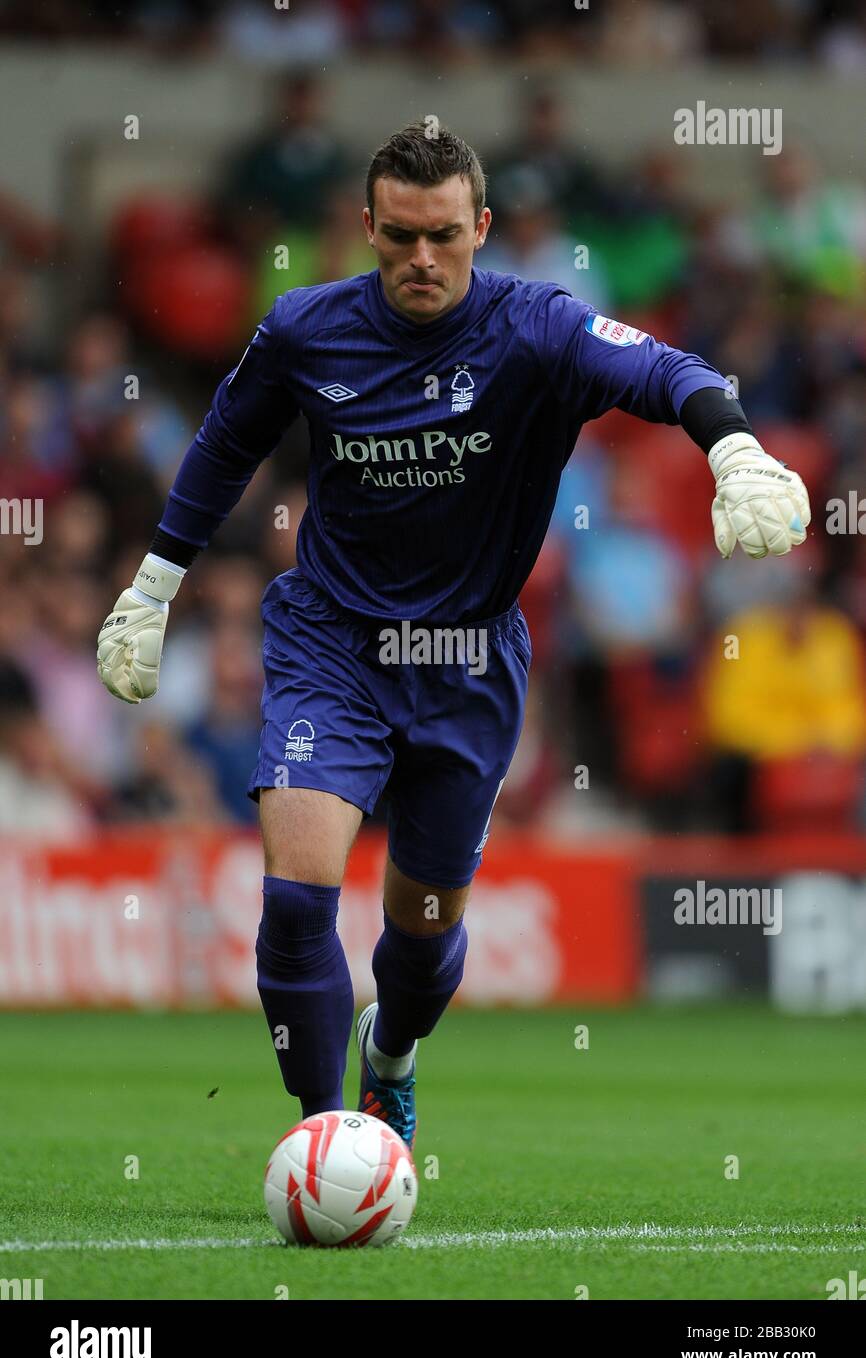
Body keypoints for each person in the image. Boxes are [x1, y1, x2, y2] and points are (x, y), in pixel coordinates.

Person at [96, 123, 810, 1152]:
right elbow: (222, 447)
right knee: (297, 903)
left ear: (479, 228)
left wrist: (732, 447)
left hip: (465, 662)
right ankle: (325, 1137)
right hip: (330, 644)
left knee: (421, 944)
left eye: (441, 236)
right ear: (367, 228)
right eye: (397, 237)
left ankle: (391, 1057)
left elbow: (667, 370)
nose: (419, 259)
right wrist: (152, 587)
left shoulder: (535, 330)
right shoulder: (306, 329)